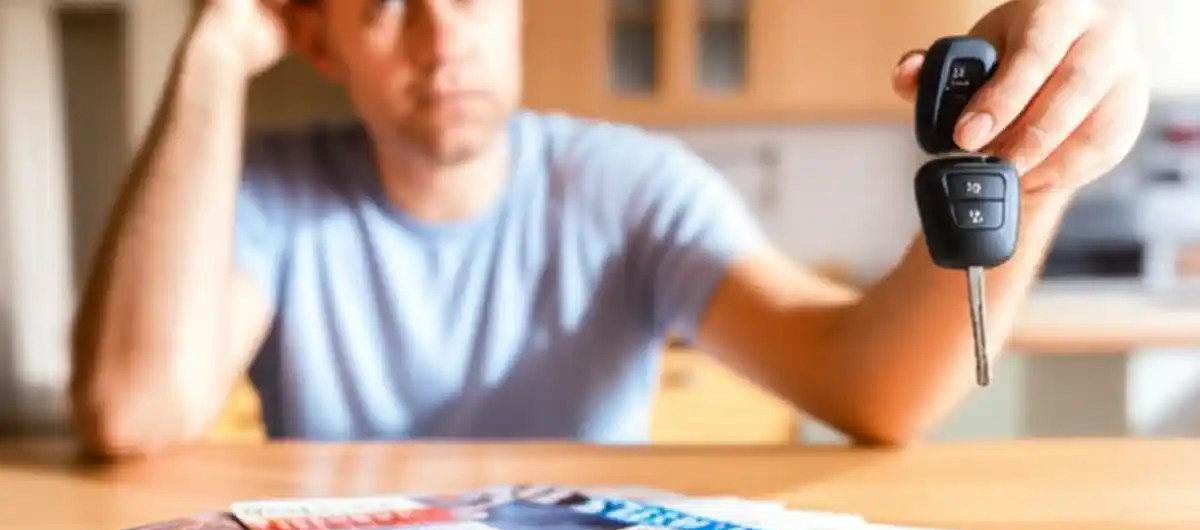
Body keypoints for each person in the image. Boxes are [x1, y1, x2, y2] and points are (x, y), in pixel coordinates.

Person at [69, 0, 1149, 458]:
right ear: (319, 42)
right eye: (388, 5)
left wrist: (1033, 161)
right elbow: (132, 410)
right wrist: (208, 52)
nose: (444, 42)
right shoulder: (269, 192)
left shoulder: (627, 183)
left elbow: (875, 390)